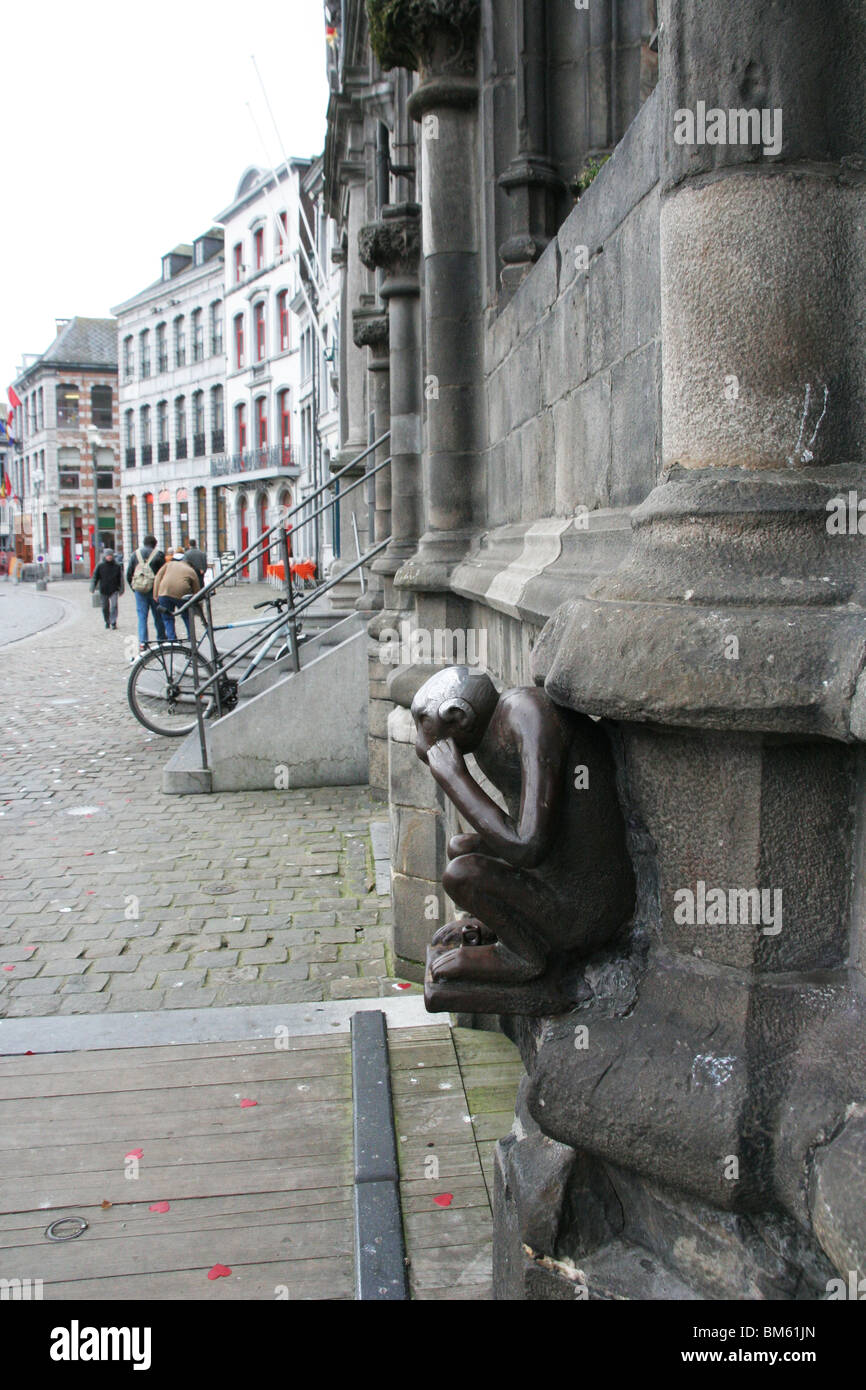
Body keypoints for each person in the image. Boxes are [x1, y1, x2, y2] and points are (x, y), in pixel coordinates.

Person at [126, 534, 166, 652]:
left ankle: (143, 642)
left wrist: (135, 589)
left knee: (142, 617)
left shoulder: (135, 555)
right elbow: (163, 574)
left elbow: (129, 574)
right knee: (158, 615)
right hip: (155, 590)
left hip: (140, 591)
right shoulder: (158, 555)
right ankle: (161, 639)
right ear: (155, 544)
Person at [153, 551, 202, 641]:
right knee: (187, 616)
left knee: (167, 617)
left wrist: (155, 594)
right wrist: (197, 603)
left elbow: (158, 577)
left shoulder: (168, 565)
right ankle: (191, 637)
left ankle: (172, 639)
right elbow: (196, 589)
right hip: (182, 594)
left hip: (164, 592)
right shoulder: (190, 570)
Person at [90, 549, 124, 630]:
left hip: (114, 589)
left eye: (110, 555)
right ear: (105, 556)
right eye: (108, 555)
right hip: (104, 589)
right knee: (105, 607)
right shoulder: (100, 565)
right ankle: (107, 621)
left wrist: (121, 589)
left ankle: (113, 622)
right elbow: (95, 577)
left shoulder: (117, 566)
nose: (109, 557)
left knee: (114, 606)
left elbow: (121, 579)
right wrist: (92, 587)